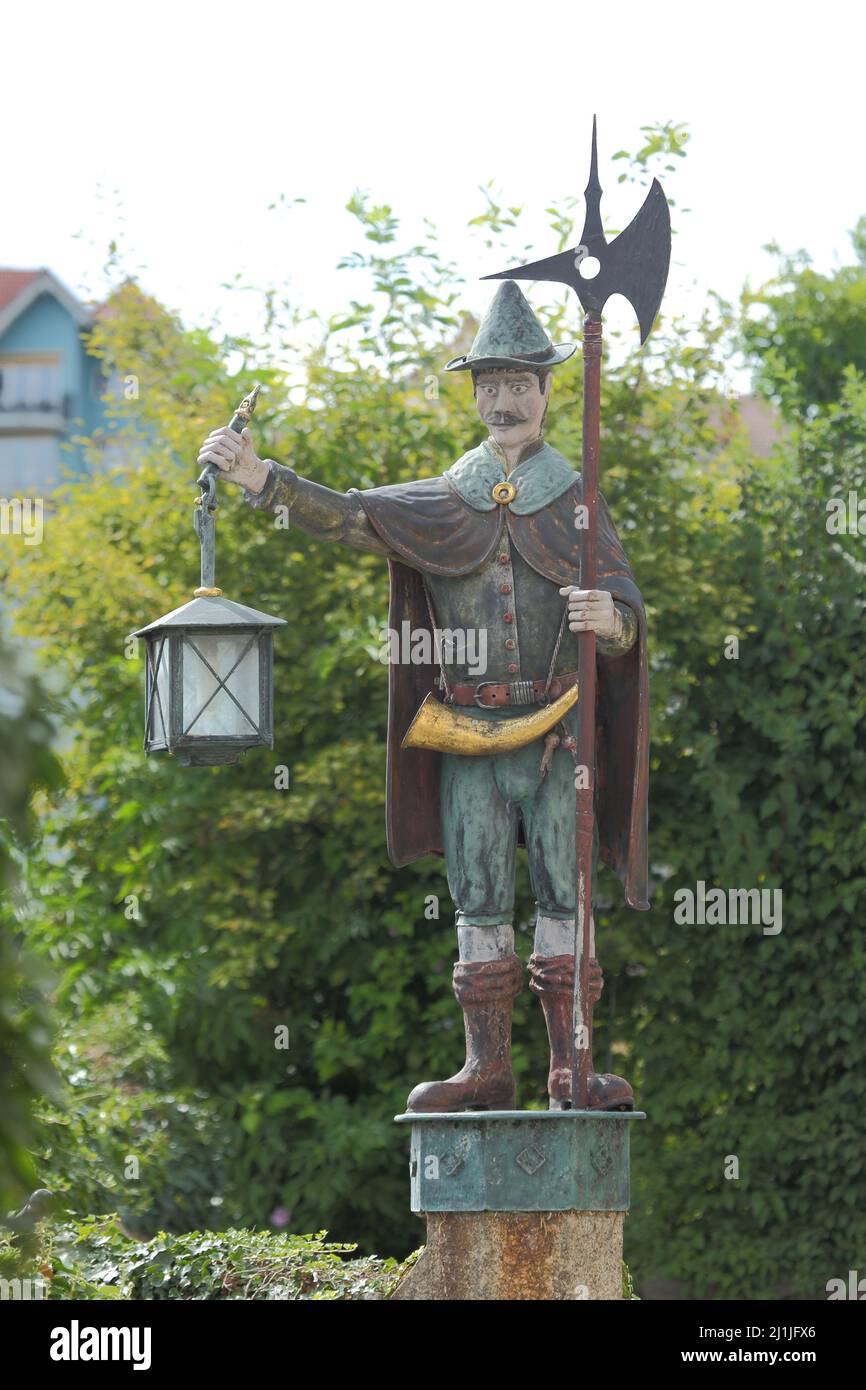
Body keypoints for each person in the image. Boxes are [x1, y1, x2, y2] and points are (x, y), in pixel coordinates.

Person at [197, 281, 649, 1112]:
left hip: (559, 730)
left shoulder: (579, 502)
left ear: (548, 393)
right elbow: (351, 518)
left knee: (563, 893)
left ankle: (568, 1067)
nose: (505, 399)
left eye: (520, 384)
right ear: (475, 395)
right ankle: (486, 1069)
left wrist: (610, 617)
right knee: (477, 896)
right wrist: (262, 476)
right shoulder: (444, 501)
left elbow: (624, 611)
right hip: (466, 730)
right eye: (491, 385)